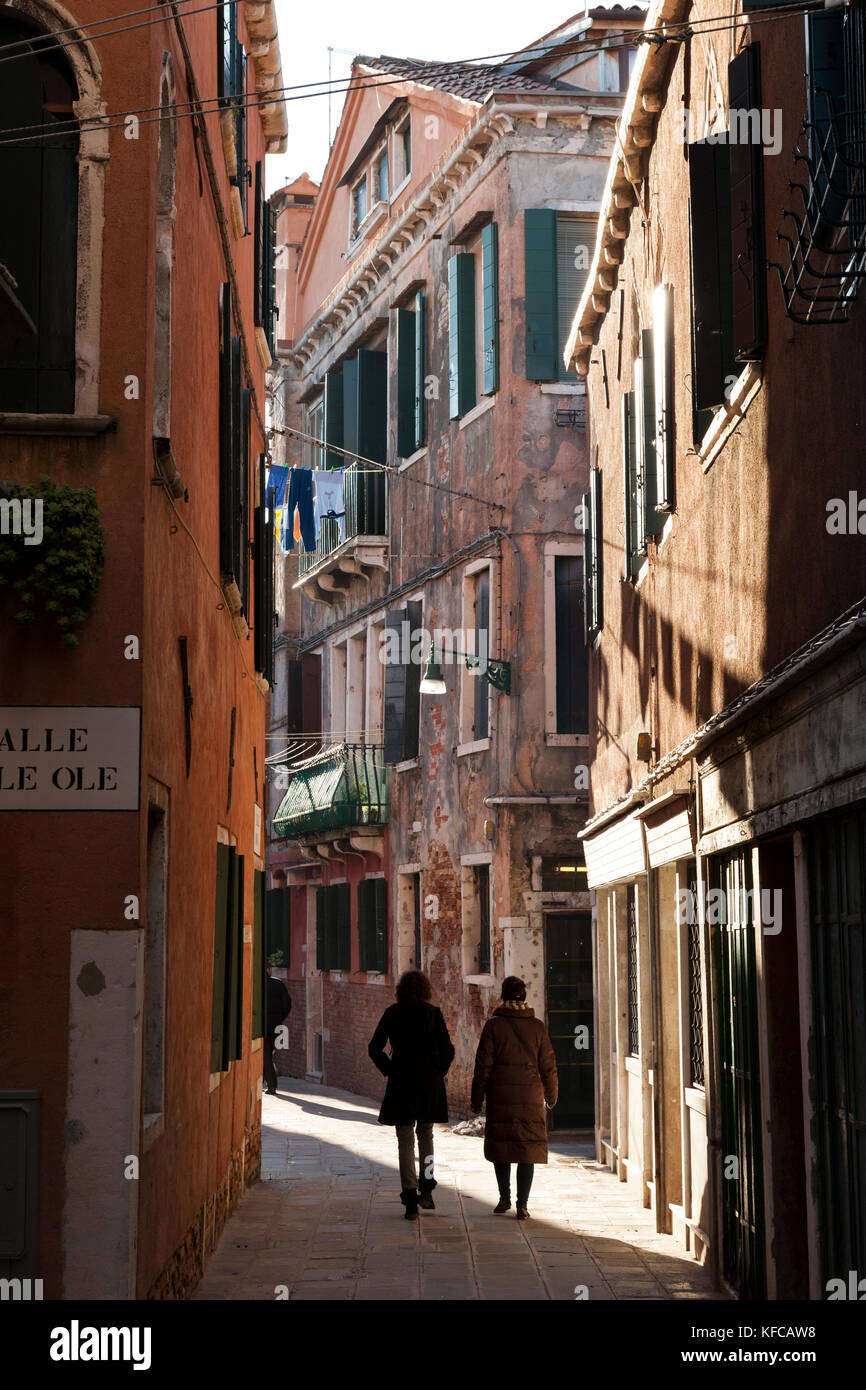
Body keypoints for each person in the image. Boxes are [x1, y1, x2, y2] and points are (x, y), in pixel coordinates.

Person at [368, 970, 455, 1220]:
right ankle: (426, 1190)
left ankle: (409, 1198)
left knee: (405, 1141)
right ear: (426, 990)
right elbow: (448, 1050)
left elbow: (374, 1048)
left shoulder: (392, 1013)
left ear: (401, 990)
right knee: (426, 1137)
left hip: (402, 1083)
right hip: (429, 1084)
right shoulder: (433, 1014)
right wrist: (438, 1072)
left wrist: (389, 1069)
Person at [470, 975, 558, 1220]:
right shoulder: (538, 1027)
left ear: (503, 996)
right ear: (524, 996)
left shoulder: (493, 1026)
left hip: (501, 1095)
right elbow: (549, 1067)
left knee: (503, 1148)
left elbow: (482, 1068)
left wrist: (476, 1100)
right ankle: (522, 1205)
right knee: (526, 1150)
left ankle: (504, 1198)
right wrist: (551, 1096)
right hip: (530, 1096)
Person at [264, 967, 291, 1097]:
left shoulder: (254, 985)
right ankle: (268, 1083)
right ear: (268, 971)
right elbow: (287, 1004)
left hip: (261, 1026)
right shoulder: (278, 983)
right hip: (275, 1025)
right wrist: (280, 1018)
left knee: (265, 1056)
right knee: (267, 1054)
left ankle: (271, 1085)